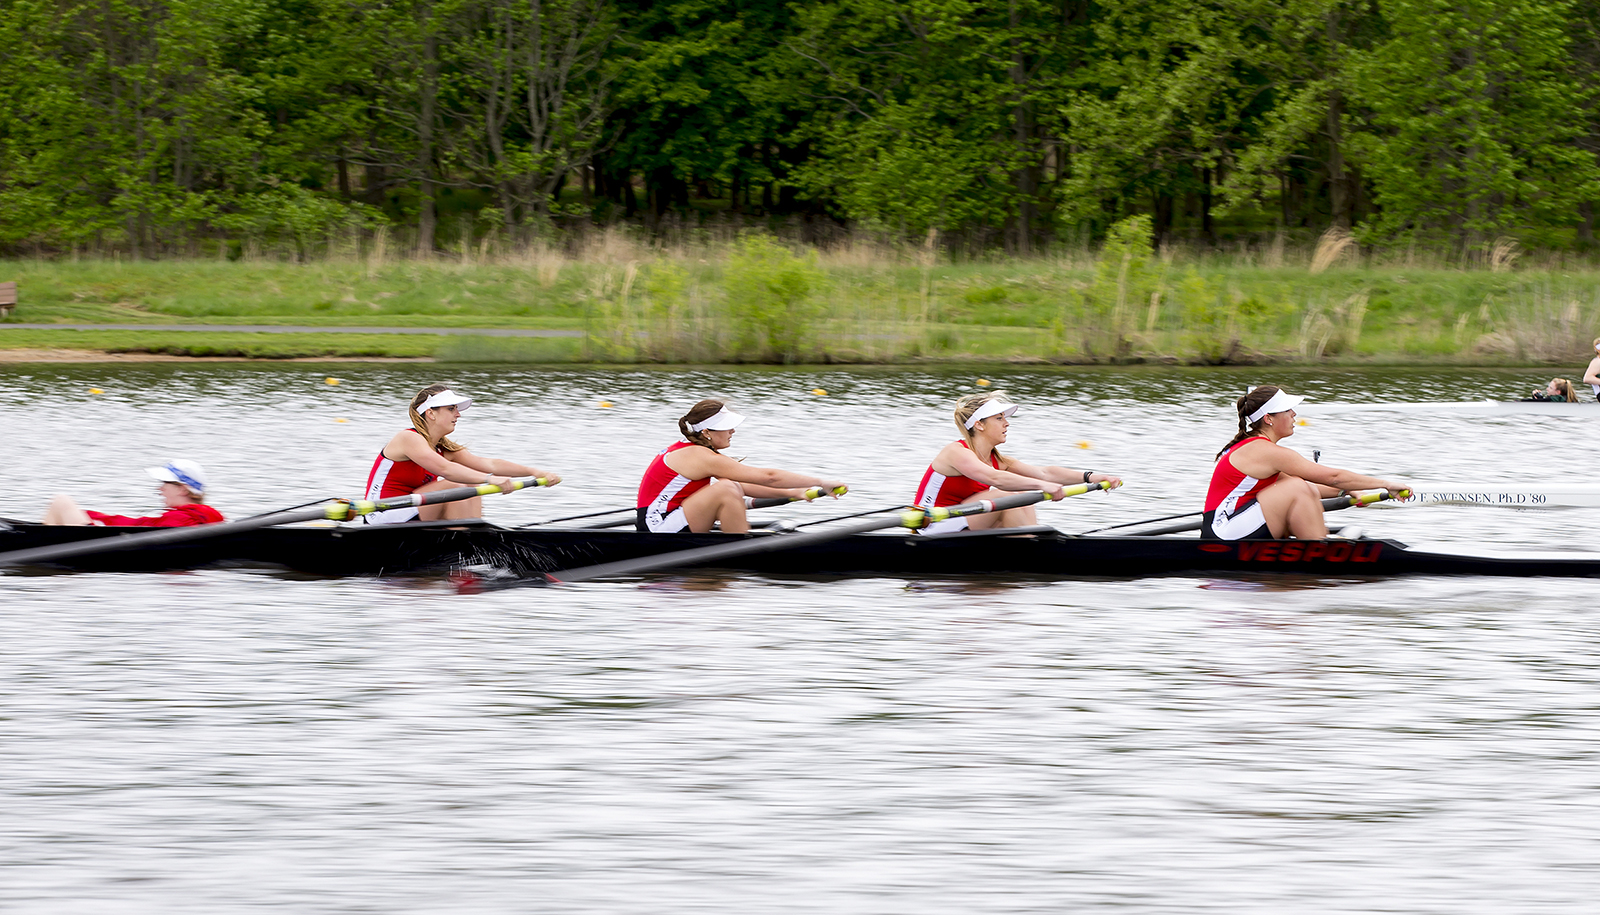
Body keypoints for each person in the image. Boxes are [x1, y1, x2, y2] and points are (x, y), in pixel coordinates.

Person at [1204, 385, 1407, 541]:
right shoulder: (1265, 451)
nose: (1294, 414)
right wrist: (1386, 484)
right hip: (1224, 531)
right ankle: (1320, 552)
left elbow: (1314, 486)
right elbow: (1333, 477)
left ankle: (1317, 545)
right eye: (1287, 410)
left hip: (1234, 526)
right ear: (1269, 419)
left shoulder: (1255, 448)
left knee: (1296, 486)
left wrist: (1346, 491)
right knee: (1297, 487)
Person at [912, 391, 1122, 535]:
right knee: (1005, 497)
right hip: (931, 526)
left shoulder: (999, 460)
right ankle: (1032, 550)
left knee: (1023, 497)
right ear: (979, 425)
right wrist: (1041, 486)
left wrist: (1092, 477)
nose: (1007, 423)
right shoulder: (955, 452)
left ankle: (1031, 541)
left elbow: (1045, 473)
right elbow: (994, 478)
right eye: (999, 418)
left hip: (961, 523)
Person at [636, 399, 846, 533]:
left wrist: (796, 492)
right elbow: (769, 477)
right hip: (658, 528)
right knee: (726, 489)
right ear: (707, 432)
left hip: (669, 518)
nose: (733, 431)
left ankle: (736, 538)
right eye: (727, 427)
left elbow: (743, 485)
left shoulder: (692, 449)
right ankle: (739, 546)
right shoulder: (699, 455)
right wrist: (821, 481)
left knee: (730, 486)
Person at [363, 384, 562, 524]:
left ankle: (471, 538)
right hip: (381, 515)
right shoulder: (407, 438)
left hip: (412, 514)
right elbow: (445, 469)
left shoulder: (444, 448)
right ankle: (465, 553)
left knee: (471, 485)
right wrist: (491, 480)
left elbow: (490, 464)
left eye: (456, 409)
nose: (458, 414)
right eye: (451, 409)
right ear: (431, 413)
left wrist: (536, 471)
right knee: (455, 486)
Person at [43, 459, 225, 527]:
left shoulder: (181, 520)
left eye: (165, 483)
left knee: (62, 501)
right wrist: (96, 516)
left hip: (103, 545)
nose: (159, 489)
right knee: (65, 507)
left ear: (182, 489)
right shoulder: (202, 517)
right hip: (111, 537)